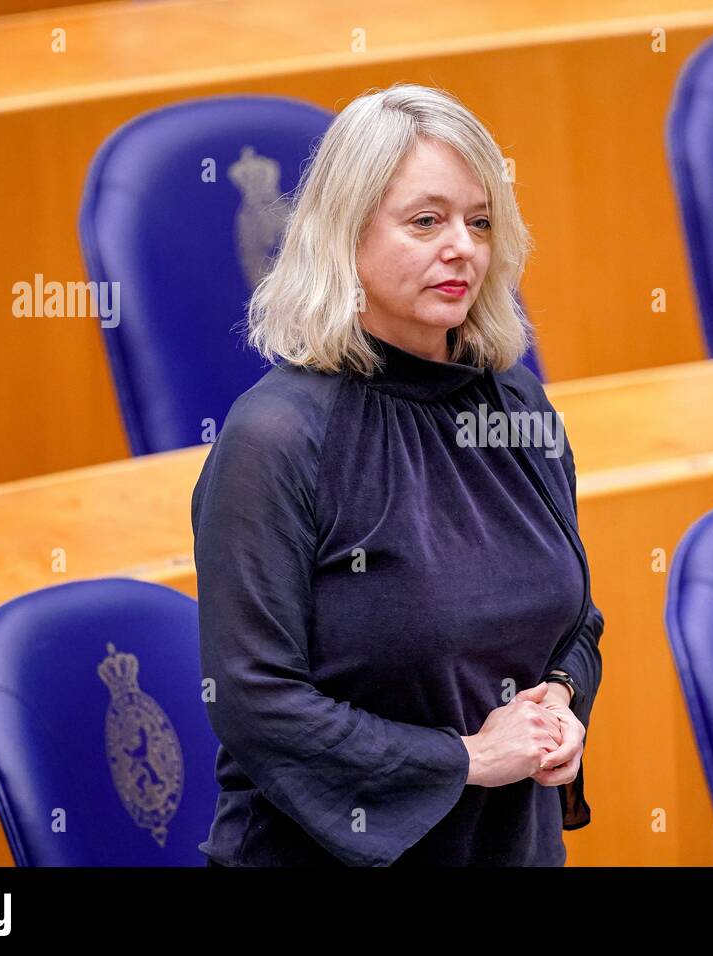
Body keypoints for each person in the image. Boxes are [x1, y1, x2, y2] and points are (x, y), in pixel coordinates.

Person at [193, 83, 603, 867]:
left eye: (480, 222)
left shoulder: (514, 399)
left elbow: (577, 614)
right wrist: (466, 760)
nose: (464, 248)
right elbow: (255, 702)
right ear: (345, 236)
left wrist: (561, 699)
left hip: (507, 847)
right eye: (426, 221)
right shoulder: (275, 439)